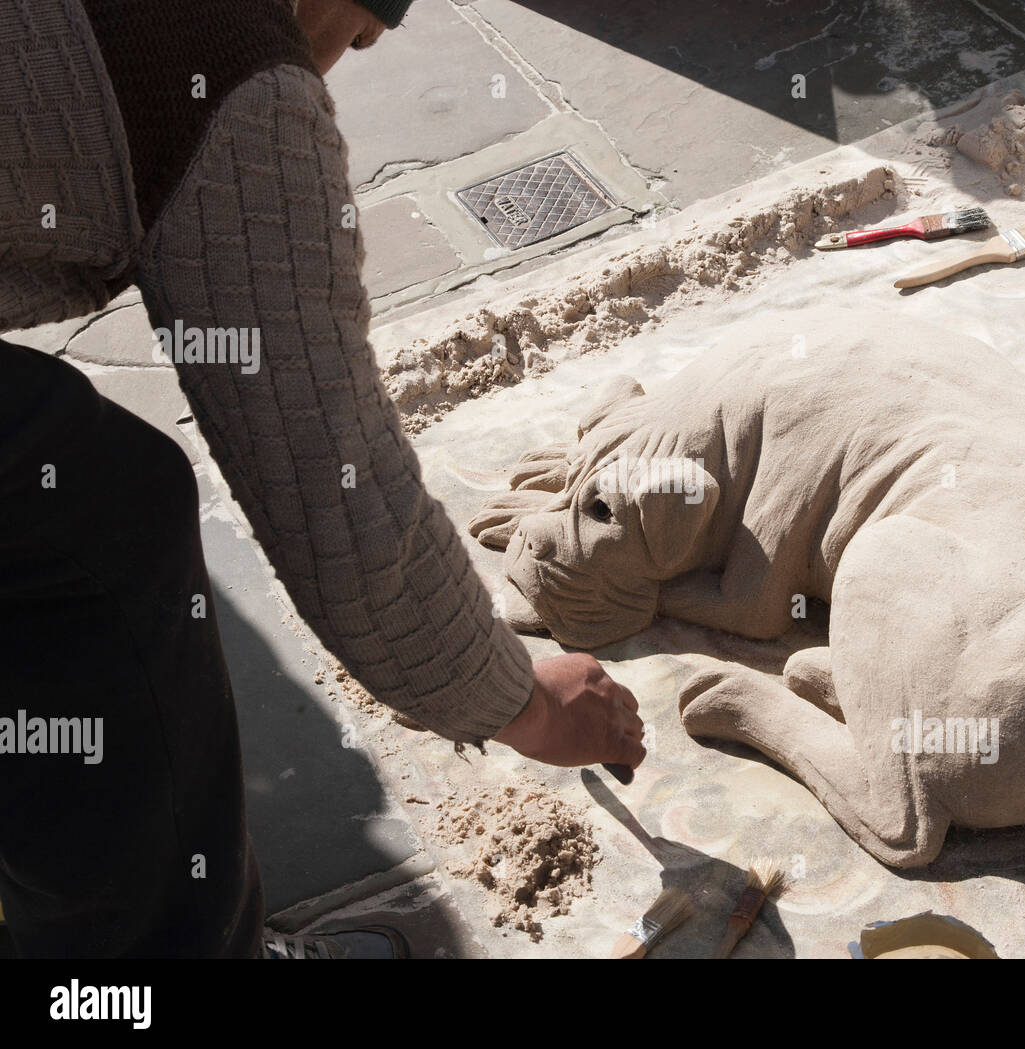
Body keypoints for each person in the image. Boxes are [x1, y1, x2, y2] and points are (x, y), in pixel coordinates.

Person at [0, 0, 645, 959]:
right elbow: (342, 500)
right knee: (102, 531)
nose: (340, 65)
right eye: (362, 37)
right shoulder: (228, 65)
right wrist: (529, 703)